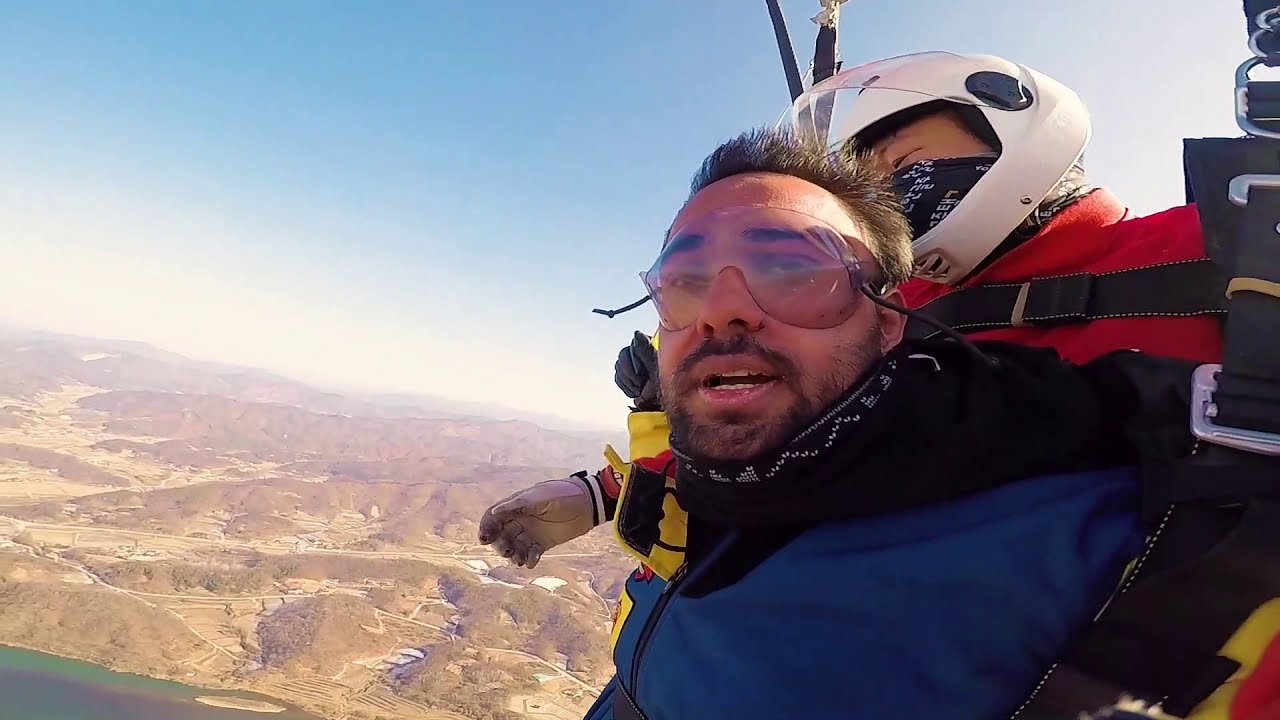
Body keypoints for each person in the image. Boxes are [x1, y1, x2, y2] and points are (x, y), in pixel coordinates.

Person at [478, 50, 1223, 569]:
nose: (892, 199)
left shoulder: (1213, 250)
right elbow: (795, 442)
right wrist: (602, 493)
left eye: (904, 167)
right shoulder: (887, 312)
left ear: (1014, 136)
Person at [566, 125, 1190, 719]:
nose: (721, 311)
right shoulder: (727, 474)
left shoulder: (1076, 541)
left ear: (889, 320)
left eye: (792, 272)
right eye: (685, 282)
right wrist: (603, 484)